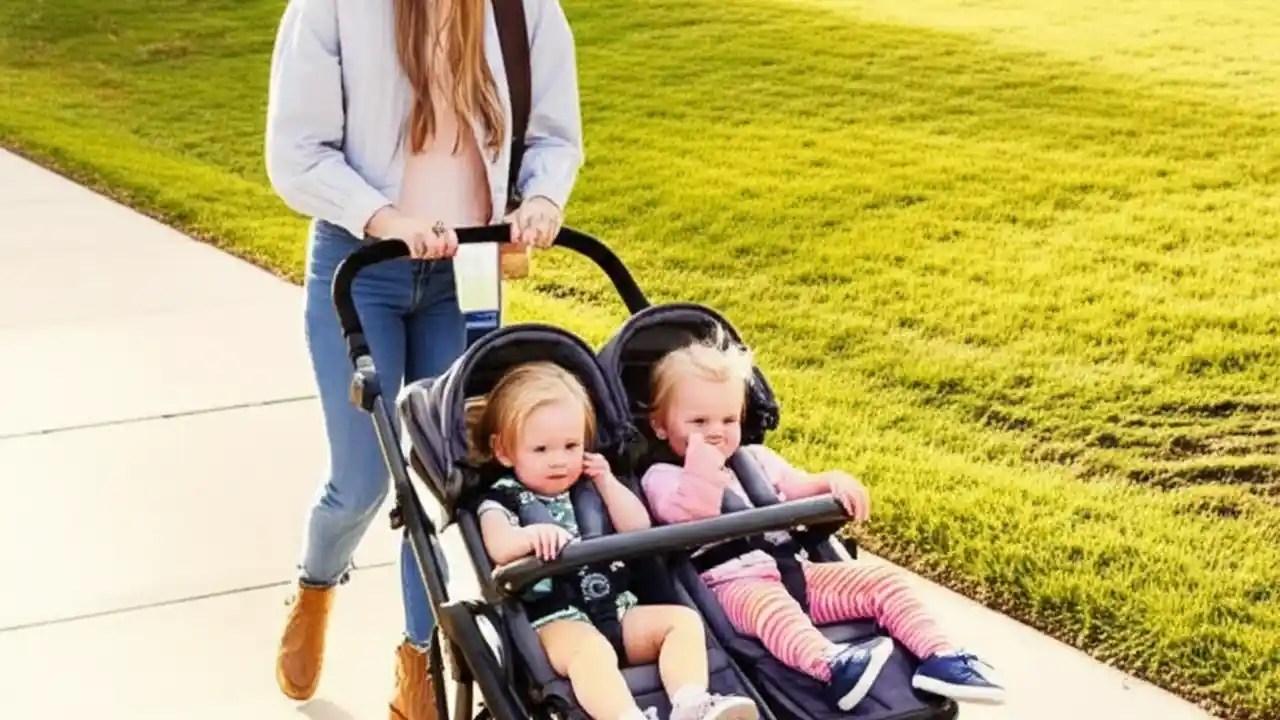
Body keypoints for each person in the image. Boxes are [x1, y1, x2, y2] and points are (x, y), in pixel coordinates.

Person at [263, 0, 583, 716]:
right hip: (362, 265)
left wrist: (540, 199)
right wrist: (386, 219)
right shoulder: (334, 8)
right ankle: (317, 584)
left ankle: (423, 663)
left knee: (440, 484)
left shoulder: (522, 9)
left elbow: (555, 135)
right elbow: (298, 151)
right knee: (362, 477)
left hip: (466, 274)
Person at [638, 332, 1007, 711]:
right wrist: (703, 464)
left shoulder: (755, 460)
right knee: (772, 608)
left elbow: (799, 486)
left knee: (882, 581)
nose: (716, 431)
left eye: (728, 419)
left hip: (795, 573)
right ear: (661, 426)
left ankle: (938, 656)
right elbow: (689, 515)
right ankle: (830, 667)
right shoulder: (661, 477)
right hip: (733, 589)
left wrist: (833, 482)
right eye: (699, 421)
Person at [470, 362, 761, 720]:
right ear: (503, 450)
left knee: (682, 622)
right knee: (591, 653)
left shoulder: (592, 486)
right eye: (541, 449)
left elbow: (637, 528)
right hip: (556, 620)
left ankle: (692, 703)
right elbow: (499, 546)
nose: (559, 460)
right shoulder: (501, 500)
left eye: (571, 445)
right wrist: (530, 536)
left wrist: (608, 484)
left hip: (619, 608)